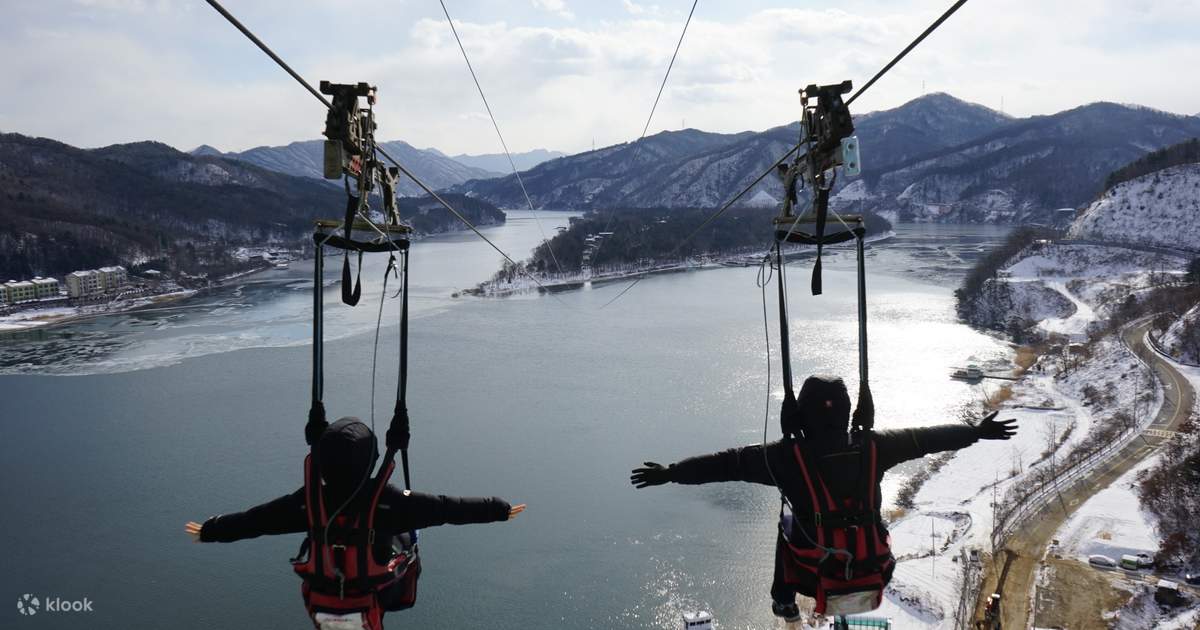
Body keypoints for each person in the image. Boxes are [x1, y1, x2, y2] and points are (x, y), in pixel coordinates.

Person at [630, 374, 1017, 621]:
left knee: (787, 524)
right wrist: (975, 432)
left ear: (801, 415)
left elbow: (725, 464)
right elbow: (928, 438)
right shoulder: (876, 446)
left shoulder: (784, 458)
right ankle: (790, 598)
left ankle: (784, 601)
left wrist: (672, 472)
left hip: (811, 573)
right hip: (873, 566)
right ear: (848, 412)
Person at [186, 417, 525, 628]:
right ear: (369, 460)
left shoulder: (310, 501)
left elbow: (258, 520)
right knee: (407, 536)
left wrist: (212, 529)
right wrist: (497, 509)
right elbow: (447, 509)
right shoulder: (389, 502)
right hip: (379, 591)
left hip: (324, 595)